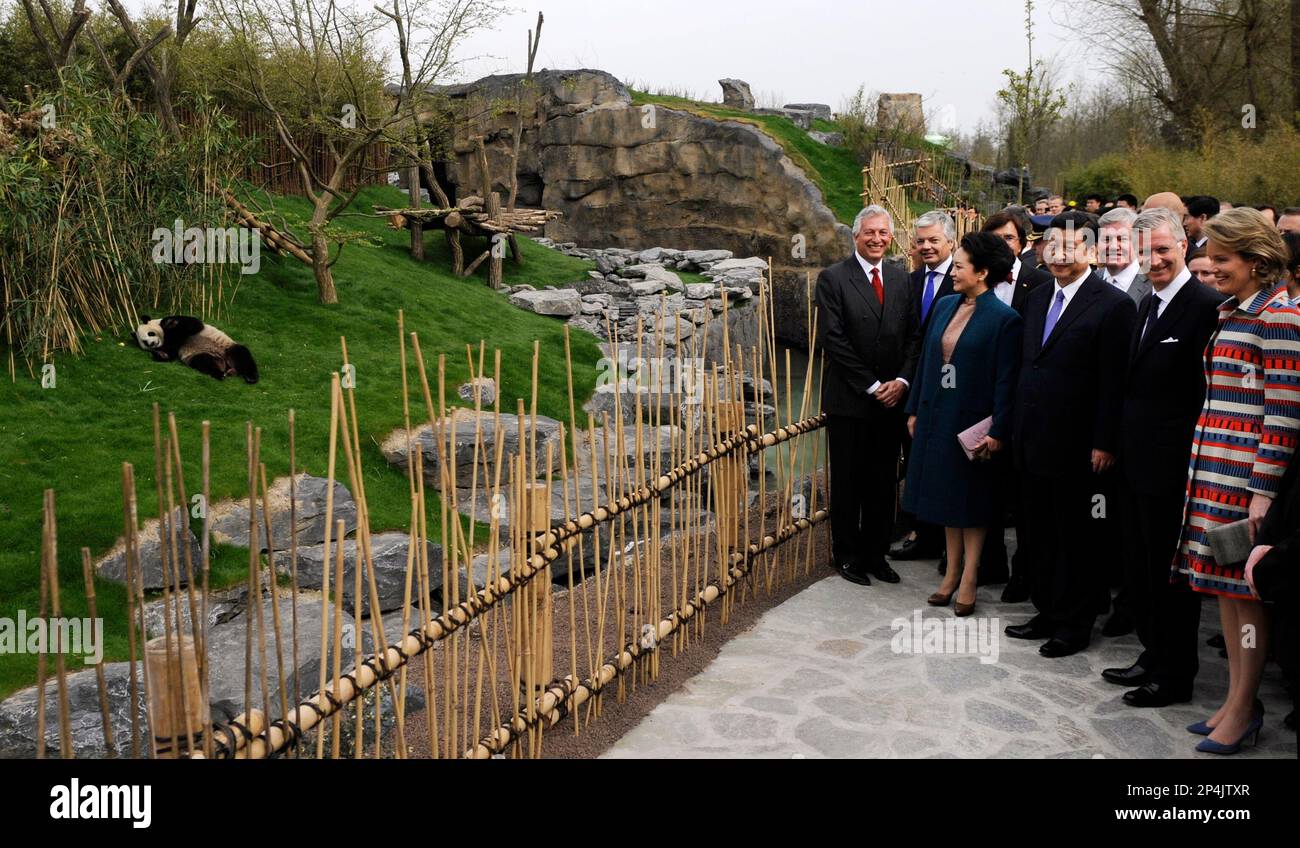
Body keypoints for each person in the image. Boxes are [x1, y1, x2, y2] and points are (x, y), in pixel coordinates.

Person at [1175, 207, 1300, 753]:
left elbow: (1284, 414)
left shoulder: (1280, 319)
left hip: (1245, 484)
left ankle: (1246, 709)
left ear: (1256, 260)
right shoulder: (1236, 311)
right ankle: (1233, 701)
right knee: (1221, 594)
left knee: (1243, 596)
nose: (1211, 266)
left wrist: (1262, 494)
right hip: (1214, 474)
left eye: (1221, 259)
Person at [1101, 208, 1223, 706]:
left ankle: (1175, 675)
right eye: (1146, 251)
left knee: (1171, 577)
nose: (1155, 261)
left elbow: (1204, 394)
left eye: (1163, 250)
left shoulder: (1205, 306)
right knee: (1141, 569)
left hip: (1173, 469)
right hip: (1133, 463)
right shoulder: (1146, 306)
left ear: (1183, 249)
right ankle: (1152, 654)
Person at [1006, 211, 1137, 658]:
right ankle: (1046, 609)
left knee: (1077, 536)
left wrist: (1104, 442)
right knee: (1037, 532)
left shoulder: (1114, 306)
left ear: (1094, 250)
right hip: (1031, 435)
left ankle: (1074, 623)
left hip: (1079, 444)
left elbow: (1113, 382)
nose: (1060, 254)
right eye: (1053, 245)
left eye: (1073, 245)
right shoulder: (1038, 296)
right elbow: (1028, 364)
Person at [904, 232, 1023, 617]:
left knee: (971, 504)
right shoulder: (945, 305)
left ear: (983, 272)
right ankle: (950, 573)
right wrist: (914, 409)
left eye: (959, 266)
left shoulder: (1006, 320)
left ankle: (970, 576)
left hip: (974, 427)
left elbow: (1007, 382)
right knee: (946, 499)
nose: (951, 272)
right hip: (937, 416)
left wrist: (998, 430)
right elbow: (926, 360)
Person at [816, 205, 921, 587]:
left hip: (892, 400)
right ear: (855, 236)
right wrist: (873, 385)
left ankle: (876, 553)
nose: (877, 239)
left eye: (883, 233)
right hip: (851, 399)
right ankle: (847, 555)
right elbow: (834, 340)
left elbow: (914, 337)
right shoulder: (833, 278)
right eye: (869, 233)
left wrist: (902, 382)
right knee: (847, 481)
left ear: (891, 237)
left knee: (882, 481)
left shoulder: (901, 280)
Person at [982, 209, 1054, 601]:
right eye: (993, 240)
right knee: (984, 487)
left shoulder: (1041, 284)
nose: (1001, 247)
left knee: (1024, 499)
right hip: (983, 399)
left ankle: (1024, 574)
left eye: (1008, 239)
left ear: (1023, 244)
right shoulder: (972, 284)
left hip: (1026, 405)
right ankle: (986, 562)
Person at [891, 211, 957, 563]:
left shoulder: (963, 283)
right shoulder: (908, 281)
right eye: (921, 241)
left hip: (946, 388)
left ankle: (948, 539)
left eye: (934, 240)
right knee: (914, 462)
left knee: (943, 464)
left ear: (950, 241)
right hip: (909, 387)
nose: (927, 246)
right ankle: (922, 534)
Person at [1098, 207, 1152, 306]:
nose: (1113, 246)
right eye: (1106, 239)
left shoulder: (1153, 284)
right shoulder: (1089, 280)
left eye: (1121, 239)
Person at [1183, 195, 1220, 261]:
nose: (1184, 223)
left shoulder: (1214, 248)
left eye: (1186, 217)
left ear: (1202, 218)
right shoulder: (1188, 244)